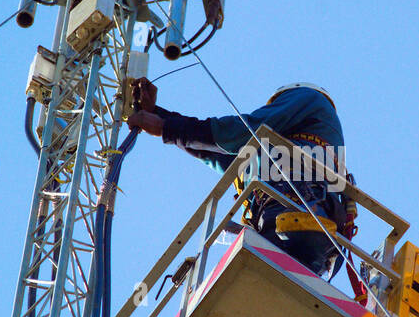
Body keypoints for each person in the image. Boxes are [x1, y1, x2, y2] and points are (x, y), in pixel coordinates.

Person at [127, 79, 351, 277]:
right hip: (307, 244)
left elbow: (244, 131)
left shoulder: (309, 98)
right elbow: (212, 150)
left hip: (297, 217)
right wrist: (158, 116)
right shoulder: (265, 157)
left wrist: (166, 127)